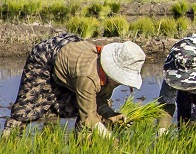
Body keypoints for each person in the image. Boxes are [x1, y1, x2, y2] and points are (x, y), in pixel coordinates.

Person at [2, 33, 145, 137]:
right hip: (46, 57)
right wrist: (110, 140)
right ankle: (8, 145)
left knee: (85, 114)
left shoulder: (109, 78)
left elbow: (98, 101)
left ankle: (74, 146)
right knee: (28, 107)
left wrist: (111, 115)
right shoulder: (88, 76)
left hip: (72, 58)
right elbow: (89, 117)